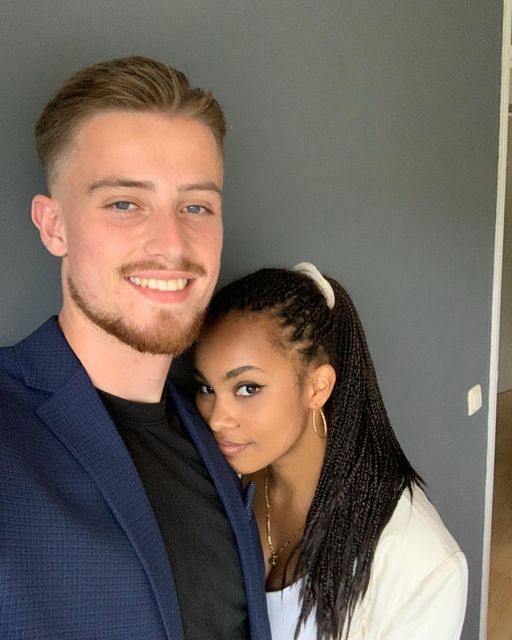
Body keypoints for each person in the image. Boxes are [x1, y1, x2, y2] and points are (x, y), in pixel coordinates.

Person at [0, 56, 271, 640]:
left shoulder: (211, 428)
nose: (172, 245)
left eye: (196, 206)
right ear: (54, 227)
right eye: (125, 203)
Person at [194, 263, 468, 640]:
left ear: (317, 387)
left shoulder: (419, 563)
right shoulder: (220, 478)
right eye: (206, 388)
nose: (216, 419)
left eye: (247, 388)